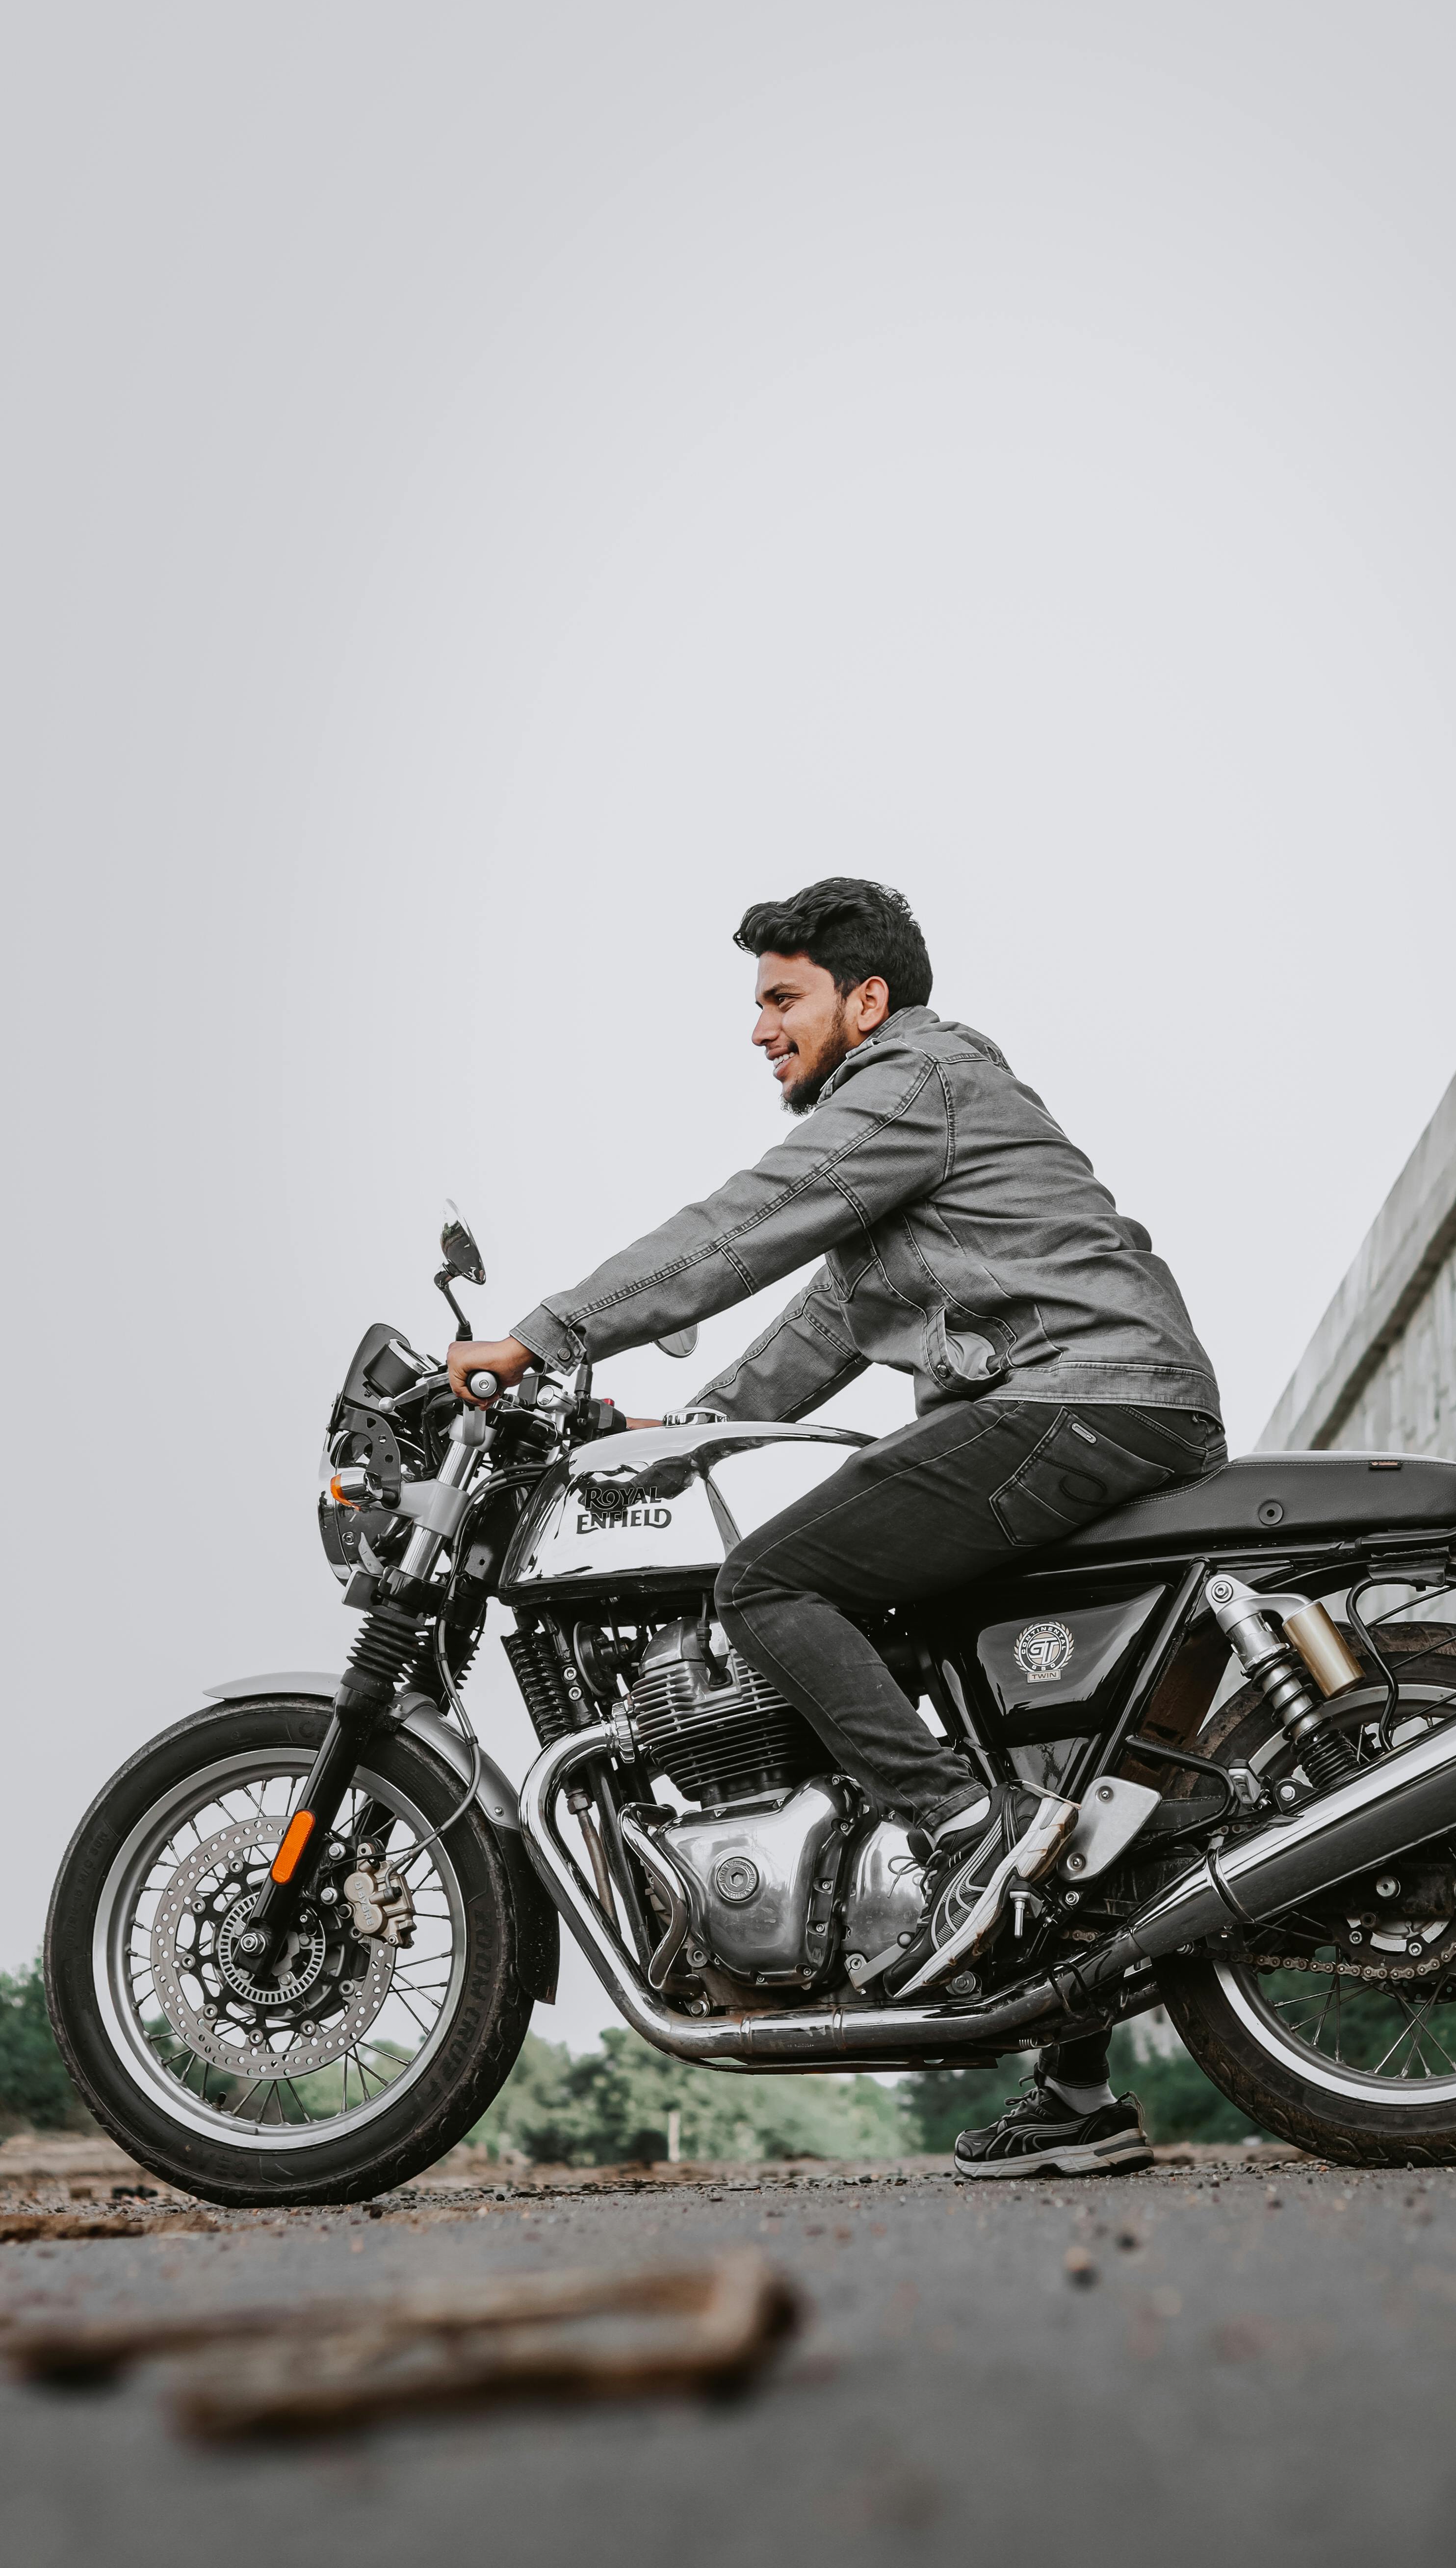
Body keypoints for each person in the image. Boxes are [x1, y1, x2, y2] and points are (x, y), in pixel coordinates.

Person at [452, 877, 1223, 2178]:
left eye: (781, 997)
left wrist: (543, 1334)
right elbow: (818, 1329)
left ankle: (960, 1832)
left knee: (769, 1586)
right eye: (757, 1001)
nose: (759, 1027)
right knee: (986, 1701)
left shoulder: (909, 1085)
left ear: (866, 1002)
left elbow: (740, 1230)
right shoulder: (901, 1152)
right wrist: (672, 1435)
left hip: (1080, 1395)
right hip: (1102, 1401)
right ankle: (1077, 2084)